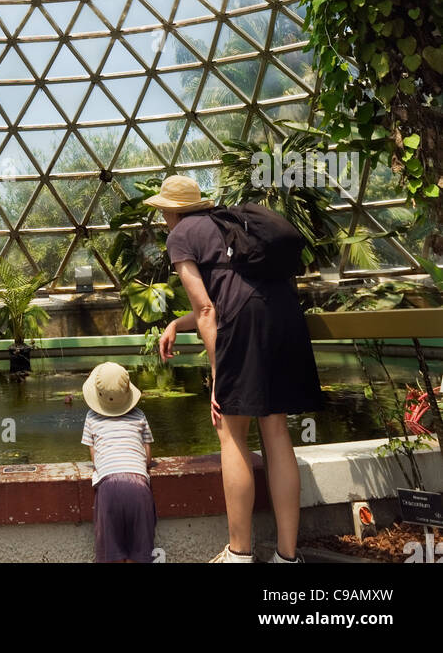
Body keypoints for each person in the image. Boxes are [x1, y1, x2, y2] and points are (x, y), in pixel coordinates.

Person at [148, 175, 324, 565]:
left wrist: (217, 377)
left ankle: (239, 553)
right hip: (285, 315)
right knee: (276, 428)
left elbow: (210, 308)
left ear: (170, 211)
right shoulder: (227, 222)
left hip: (245, 324)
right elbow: (227, 296)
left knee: (231, 431)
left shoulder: (180, 235)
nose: (162, 217)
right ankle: (287, 556)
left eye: (162, 211)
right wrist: (178, 324)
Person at [81, 361, 157, 563]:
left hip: (109, 489)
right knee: (139, 554)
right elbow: (147, 458)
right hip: (139, 488)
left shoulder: (91, 418)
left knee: (112, 555)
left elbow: (95, 458)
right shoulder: (139, 416)